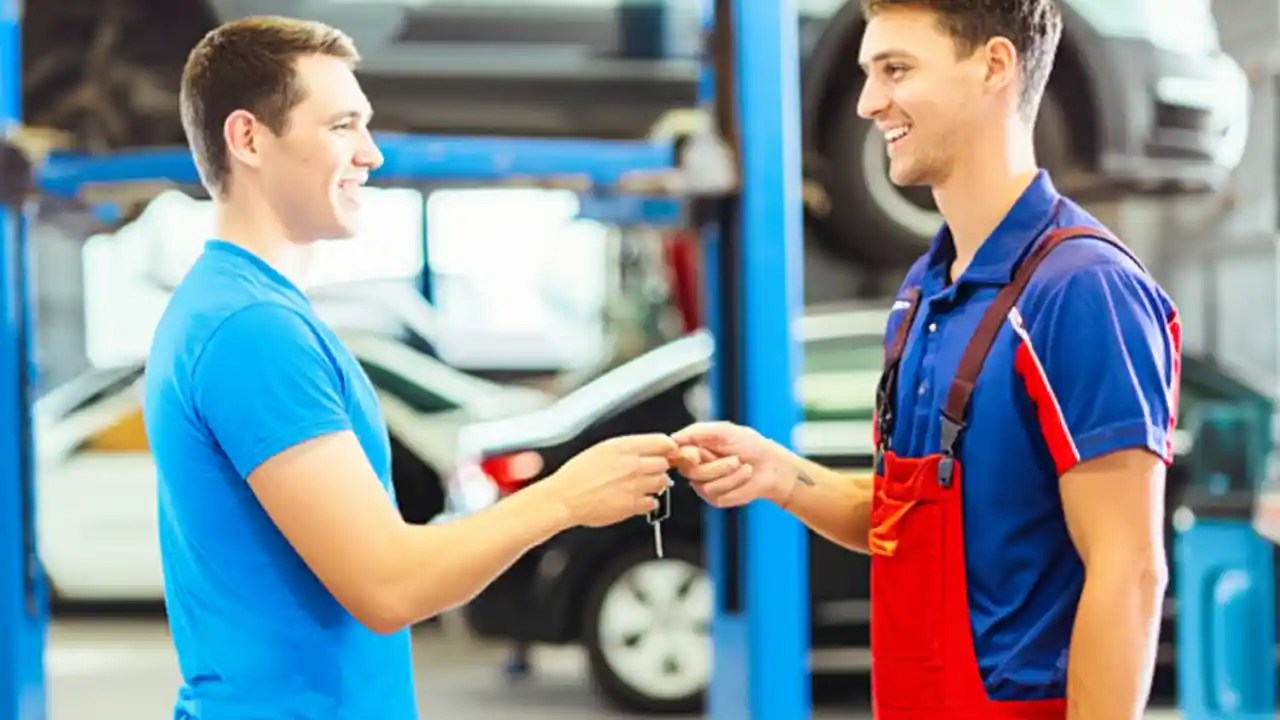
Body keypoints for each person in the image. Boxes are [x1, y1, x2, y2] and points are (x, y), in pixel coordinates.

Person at [143, 16, 677, 719]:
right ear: (248, 139)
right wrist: (566, 498)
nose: (370, 153)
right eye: (342, 126)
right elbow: (388, 585)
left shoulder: (238, 310)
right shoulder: (251, 330)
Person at [672, 1, 1181, 718]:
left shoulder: (1082, 289)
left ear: (994, 67)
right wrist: (778, 473)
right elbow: (907, 518)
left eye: (896, 69)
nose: (867, 102)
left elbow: (1129, 572)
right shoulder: (926, 290)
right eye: (869, 72)